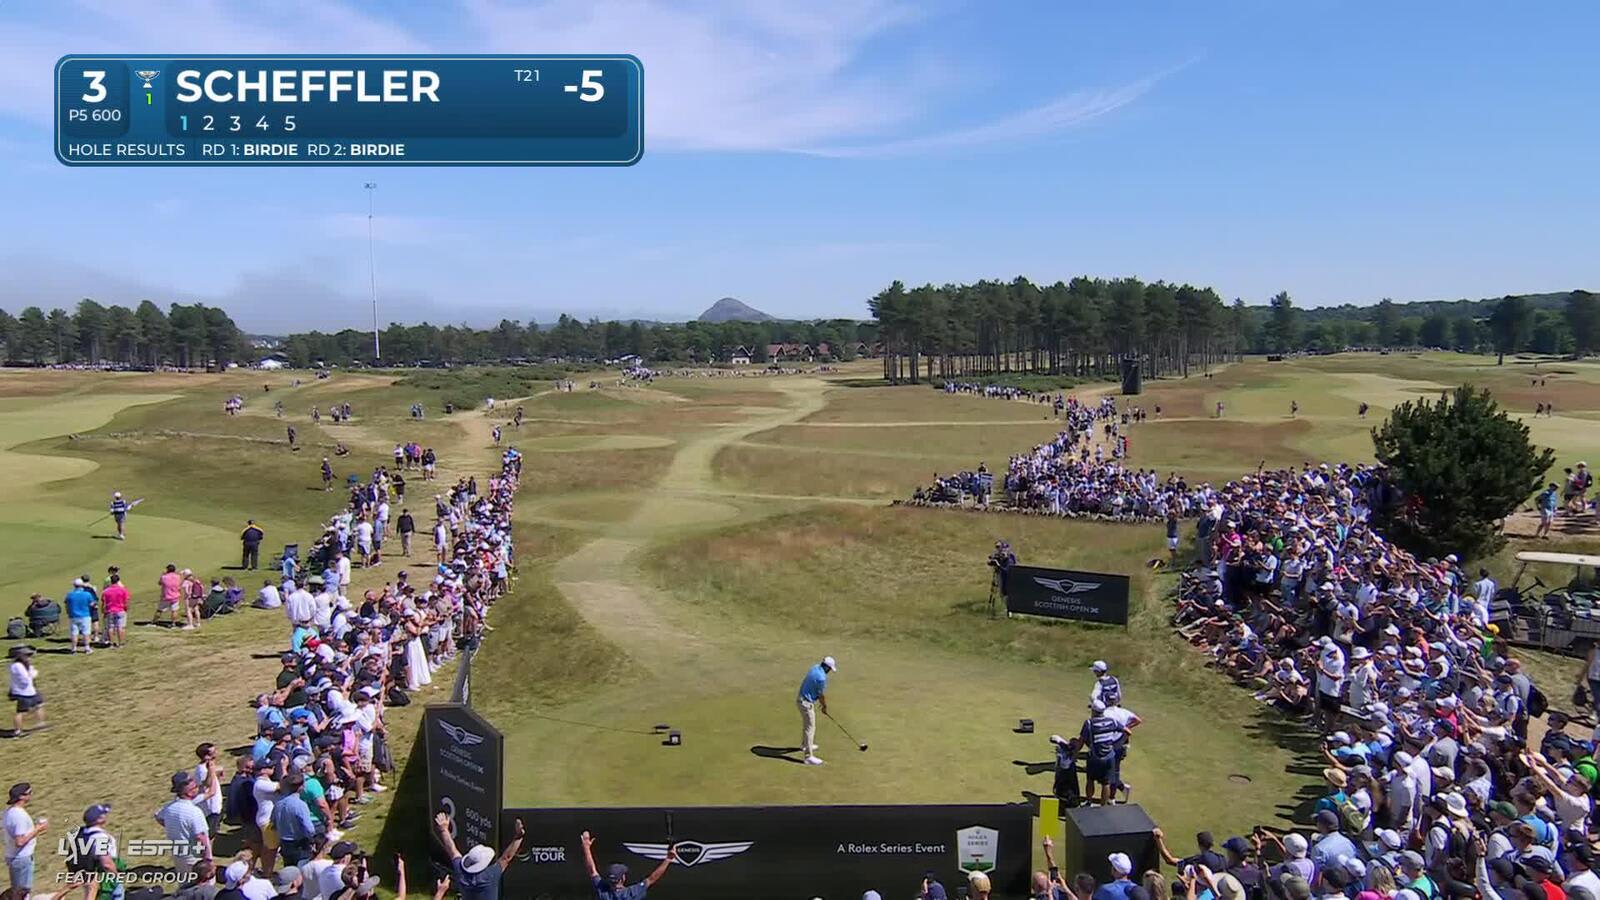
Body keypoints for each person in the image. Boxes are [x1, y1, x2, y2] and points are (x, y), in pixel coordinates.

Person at [433, 812, 524, 900]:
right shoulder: (490, 876)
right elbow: (506, 858)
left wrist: (443, 829)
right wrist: (518, 837)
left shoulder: (461, 872)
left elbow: (452, 851)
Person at [156, 771, 212, 886]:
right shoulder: (194, 811)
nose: (196, 786)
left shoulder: (169, 808)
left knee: (185, 886)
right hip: (194, 858)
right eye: (193, 785)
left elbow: (158, 816)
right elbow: (201, 838)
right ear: (187, 790)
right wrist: (208, 859)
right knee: (203, 889)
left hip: (178, 856)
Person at [580, 830, 672, 899]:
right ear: (622, 878)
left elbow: (592, 871)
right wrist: (668, 859)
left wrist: (586, 847)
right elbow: (652, 878)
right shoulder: (632, 893)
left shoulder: (603, 892)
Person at [4, 783, 45, 898]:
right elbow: (20, 841)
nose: (31, 795)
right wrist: (38, 829)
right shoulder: (19, 816)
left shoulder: (9, 812)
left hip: (14, 857)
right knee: (22, 895)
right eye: (30, 793)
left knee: (17, 893)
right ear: (22, 797)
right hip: (22, 859)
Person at [797, 656, 836, 766]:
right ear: (827, 668)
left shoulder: (815, 667)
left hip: (801, 699)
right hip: (806, 703)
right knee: (810, 727)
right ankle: (808, 757)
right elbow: (821, 695)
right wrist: (824, 707)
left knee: (807, 725)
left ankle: (805, 745)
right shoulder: (821, 678)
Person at [7, 647, 44, 737]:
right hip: (23, 693)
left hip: (31, 691)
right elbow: (25, 679)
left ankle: (40, 724)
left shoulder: (24, 665)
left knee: (39, 706)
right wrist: (33, 673)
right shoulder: (17, 666)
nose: (28, 657)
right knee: (21, 712)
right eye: (26, 655)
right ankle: (18, 731)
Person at [64, 579, 96, 655]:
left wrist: (68, 613)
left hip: (73, 616)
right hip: (85, 615)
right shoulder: (87, 594)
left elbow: (66, 605)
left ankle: (74, 649)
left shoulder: (70, 595)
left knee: (74, 633)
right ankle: (87, 648)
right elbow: (92, 604)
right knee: (86, 632)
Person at [101, 574, 129, 649]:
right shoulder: (123, 590)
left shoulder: (106, 591)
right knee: (120, 627)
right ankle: (121, 644)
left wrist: (103, 611)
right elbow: (126, 601)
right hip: (120, 610)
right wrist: (126, 609)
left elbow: (103, 603)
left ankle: (111, 644)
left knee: (110, 627)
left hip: (110, 610)